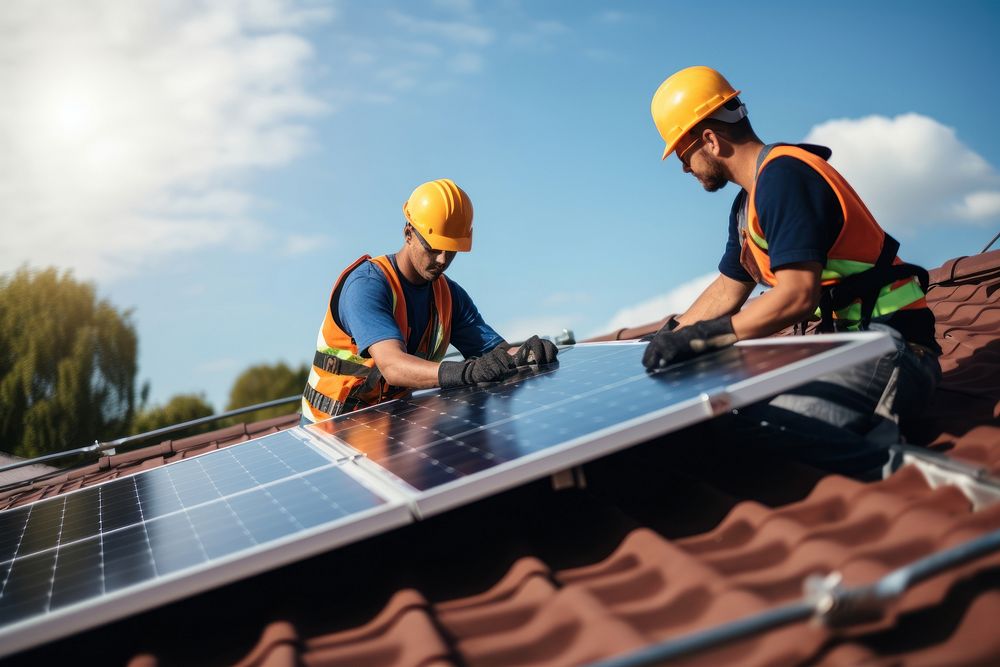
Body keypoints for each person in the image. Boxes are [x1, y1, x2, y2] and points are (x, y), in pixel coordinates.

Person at [642, 66, 941, 478]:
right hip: (847, 351)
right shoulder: (748, 206)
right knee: (722, 415)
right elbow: (728, 291)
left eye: (682, 152)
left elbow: (797, 296)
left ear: (709, 139)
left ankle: (910, 477)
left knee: (751, 421)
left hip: (892, 350)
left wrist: (706, 338)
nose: (684, 167)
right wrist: (669, 335)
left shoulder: (785, 177)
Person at [301, 178, 558, 423]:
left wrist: (525, 354)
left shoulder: (450, 297)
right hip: (330, 429)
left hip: (388, 425)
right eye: (434, 248)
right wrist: (465, 372)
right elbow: (393, 366)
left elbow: (496, 354)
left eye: (452, 251)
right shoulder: (367, 285)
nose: (442, 261)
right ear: (408, 234)